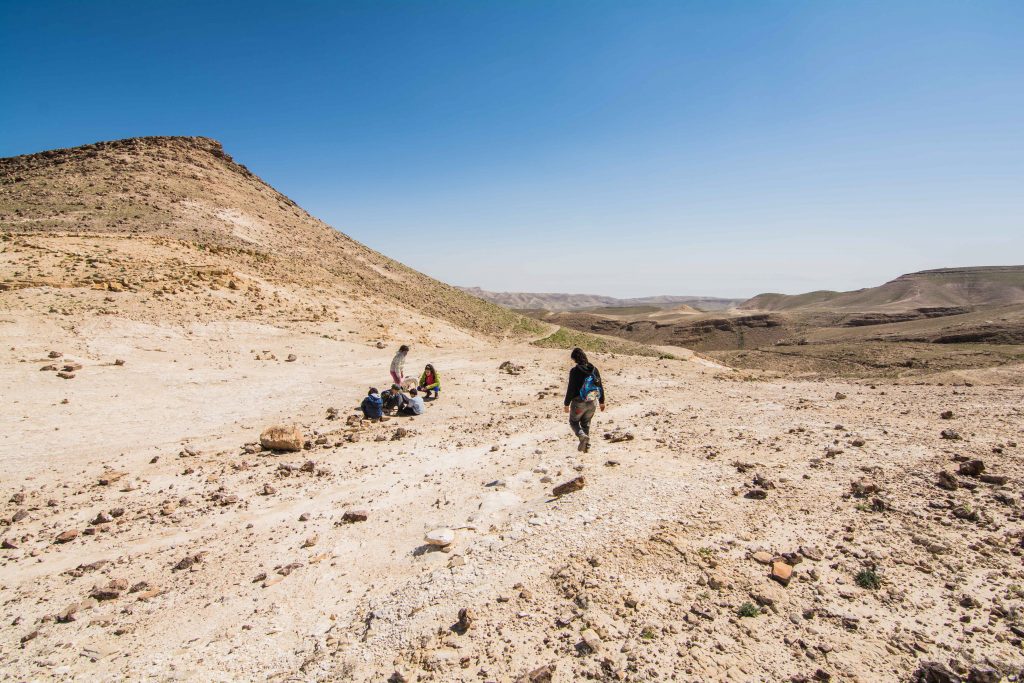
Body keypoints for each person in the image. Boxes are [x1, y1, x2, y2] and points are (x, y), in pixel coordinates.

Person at [562, 347, 605, 452]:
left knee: (573, 421)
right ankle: (586, 447)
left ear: (575, 359)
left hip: (579, 402)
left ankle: (582, 436)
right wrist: (602, 401)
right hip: (592, 401)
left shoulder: (575, 371)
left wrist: (566, 404)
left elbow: (571, 389)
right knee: (586, 423)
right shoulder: (594, 369)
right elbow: (599, 385)